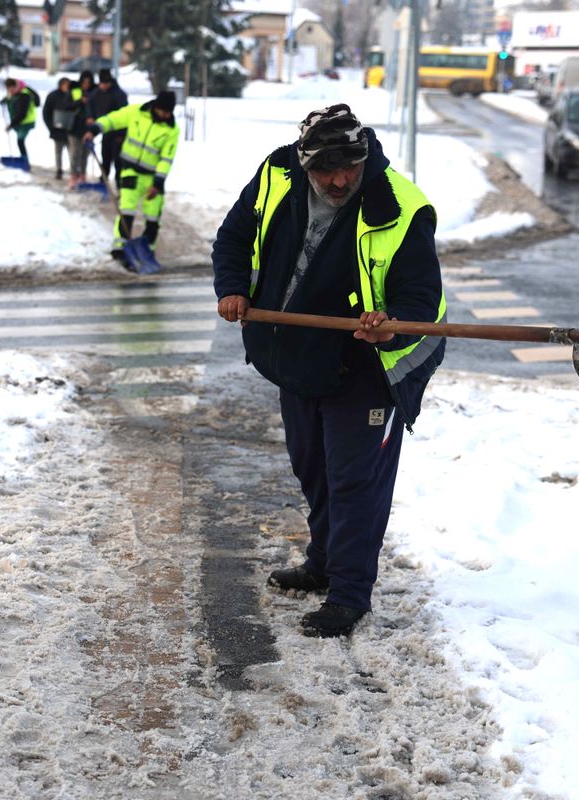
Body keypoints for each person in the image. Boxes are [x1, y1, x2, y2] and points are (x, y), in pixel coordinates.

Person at [211, 104, 446, 638]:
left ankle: (349, 593)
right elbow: (234, 236)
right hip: (298, 354)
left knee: (354, 481)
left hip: (369, 365)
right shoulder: (277, 174)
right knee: (312, 466)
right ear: (304, 162)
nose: (340, 180)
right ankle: (322, 561)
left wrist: (394, 325)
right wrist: (231, 285)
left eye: (351, 168)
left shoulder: (401, 207)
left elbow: (421, 299)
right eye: (327, 170)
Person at [84, 90, 180, 266]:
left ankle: (147, 250)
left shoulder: (172, 130)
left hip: (153, 178)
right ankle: (120, 248)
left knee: (152, 216)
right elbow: (113, 119)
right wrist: (95, 129)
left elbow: (166, 159)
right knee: (126, 209)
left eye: (169, 112)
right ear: (156, 106)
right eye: (164, 111)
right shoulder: (136, 112)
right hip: (130, 171)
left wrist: (158, 184)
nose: (166, 115)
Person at [87, 68, 129, 188]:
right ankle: (103, 182)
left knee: (118, 162)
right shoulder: (97, 93)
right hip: (105, 131)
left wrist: (122, 134)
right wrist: (91, 117)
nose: (102, 86)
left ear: (110, 82)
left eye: (105, 83)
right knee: (105, 158)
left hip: (118, 134)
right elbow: (91, 104)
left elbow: (124, 116)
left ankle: (119, 185)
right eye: (101, 83)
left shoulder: (119, 94)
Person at [0, 78, 40, 169]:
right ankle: (24, 160)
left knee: (20, 140)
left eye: (11, 89)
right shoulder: (15, 93)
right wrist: (4, 101)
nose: (9, 91)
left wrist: (11, 125)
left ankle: (25, 162)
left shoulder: (24, 95)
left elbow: (22, 114)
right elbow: (10, 98)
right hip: (19, 122)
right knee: (20, 141)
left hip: (26, 122)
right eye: (7, 90)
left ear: (15, 86)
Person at [42, 77, 76, 180]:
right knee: (58, 151)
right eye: (65, 85)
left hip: (71, 130)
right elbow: (46, 112)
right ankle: (59, 169)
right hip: (57, 129)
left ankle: (73, 172)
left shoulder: (73, 95)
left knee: (73, 152)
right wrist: (51, 127)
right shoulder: (53, 96)